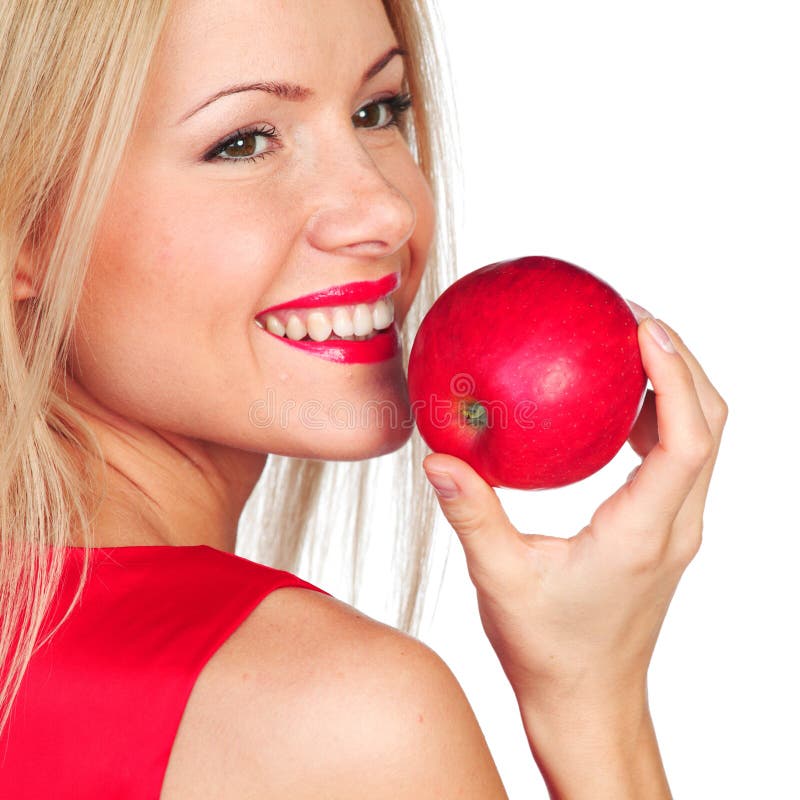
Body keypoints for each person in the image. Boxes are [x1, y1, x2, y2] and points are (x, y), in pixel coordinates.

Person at [0, 0, 727, 797]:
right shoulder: (343, 719)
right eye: (242, 142)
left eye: (377, 110)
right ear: (23, 223)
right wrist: (595, 709)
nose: (386, 211)